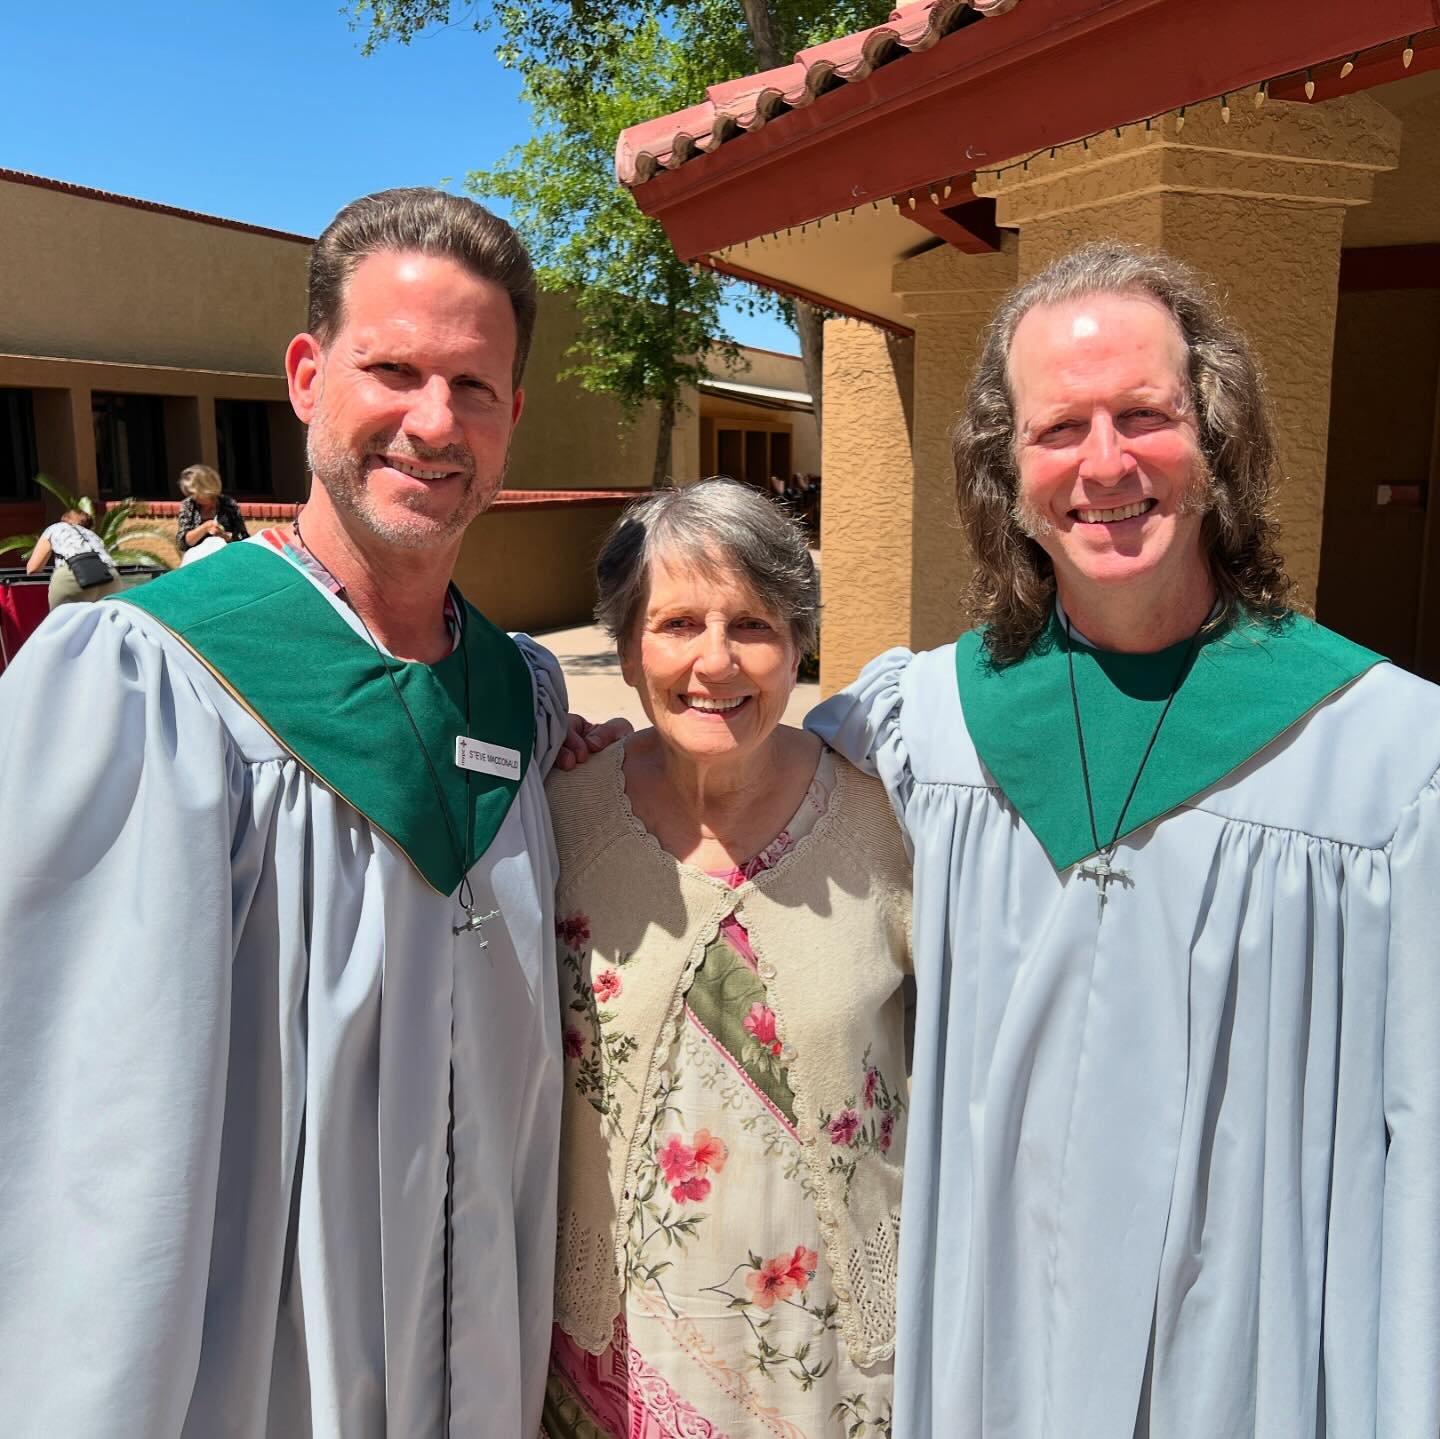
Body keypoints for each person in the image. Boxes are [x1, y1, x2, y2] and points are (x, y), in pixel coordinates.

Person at [0, 187, 618, 1436]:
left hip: (479, 1367)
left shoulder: (525, 698)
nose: (433, 423)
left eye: (475, 386)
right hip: (248, 1376)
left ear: (511, 419)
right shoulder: (147, 682)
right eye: (393, 369)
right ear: (305, 375)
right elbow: (76, 1132)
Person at [810, 243, 1440, 1437]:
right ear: (1008, 471)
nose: (1105, 463)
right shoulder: (930, 724)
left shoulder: (1385, 760)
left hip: (1244, 1359)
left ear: (1217, 440)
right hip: (988, 1336)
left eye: (1144, 414)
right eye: (1059, 430)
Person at [543, 479, 912, 1438]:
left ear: (799, 647)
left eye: (753, 623)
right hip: (616, 1351)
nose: (716, 661)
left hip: (838, 1363)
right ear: (626, 650)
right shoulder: (556, 821)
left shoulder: (889, 824)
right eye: (675, 623)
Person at [24, 505, 123, 606]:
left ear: (64, 520)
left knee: (60, 620)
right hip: (110, 575)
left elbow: (33, 568)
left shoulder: (56, 528)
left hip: (74, 573)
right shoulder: (93, 535)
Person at [175, 462, 248, 561]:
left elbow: (243, 537)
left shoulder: (228, 504)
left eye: (193, 493)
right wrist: (205, 527)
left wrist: (225, 535)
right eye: (189, 493)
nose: (192, 497)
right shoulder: (189, 505)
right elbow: (183, 543)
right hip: (196, 562)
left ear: (206, 489)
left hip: (225, 559)